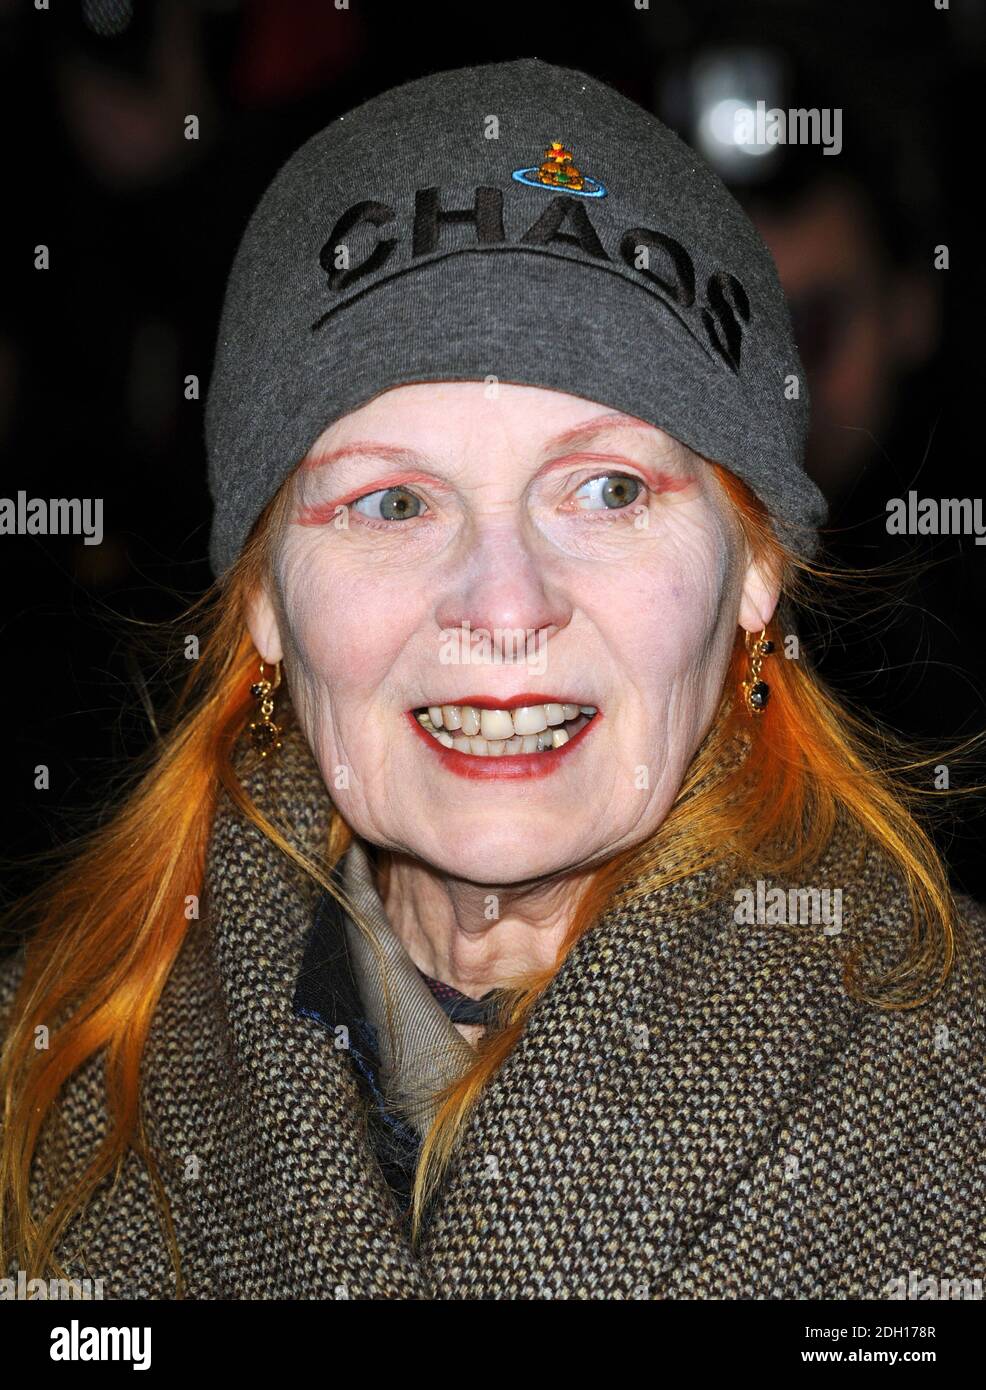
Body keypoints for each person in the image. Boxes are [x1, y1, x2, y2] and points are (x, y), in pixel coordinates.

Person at [1, 57, 984, 1302]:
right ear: (260, 595)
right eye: (393, 501)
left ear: (753, 565)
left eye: (608, 490)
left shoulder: (954, 1100)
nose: (504, 605)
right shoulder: (46, 1096)